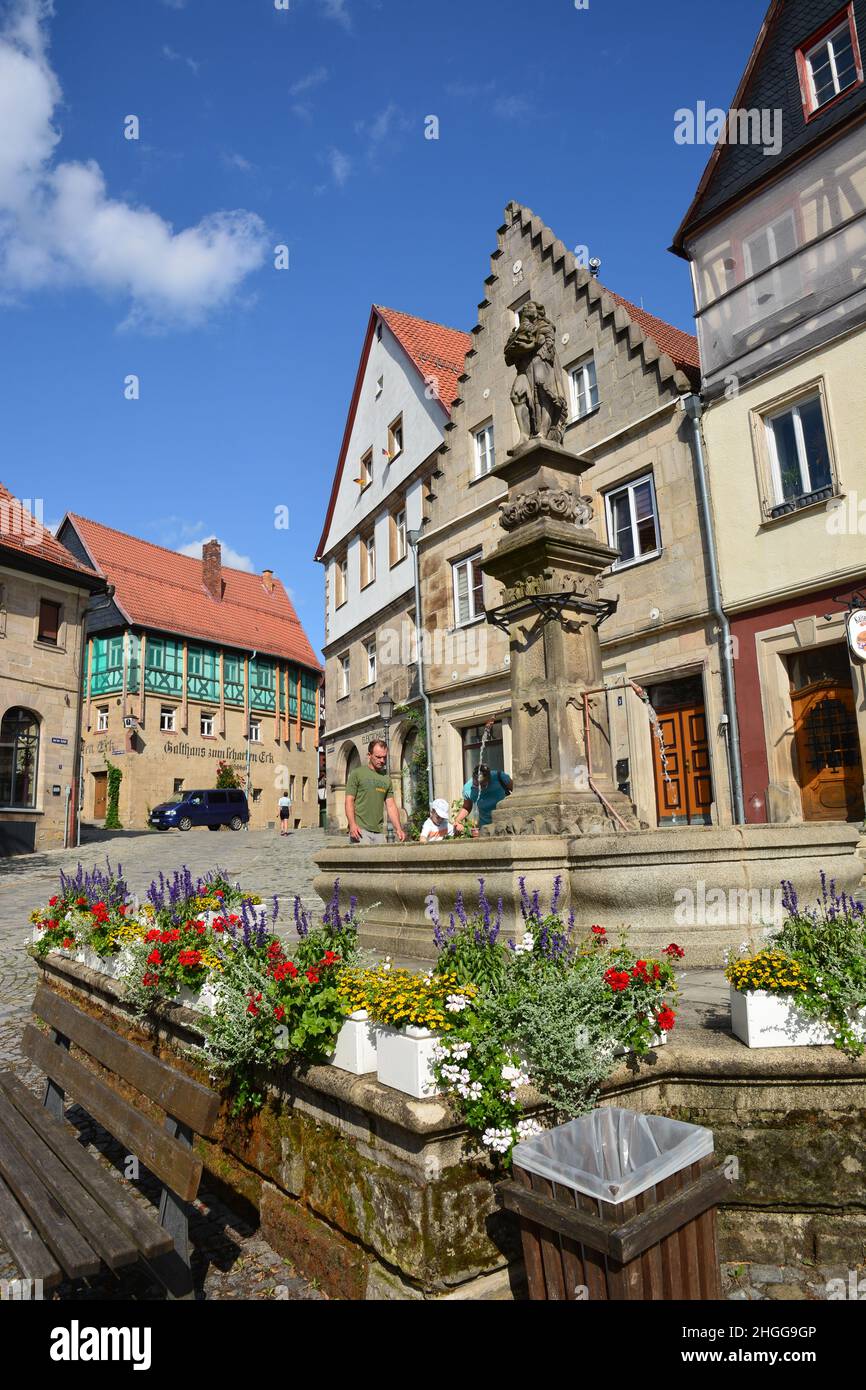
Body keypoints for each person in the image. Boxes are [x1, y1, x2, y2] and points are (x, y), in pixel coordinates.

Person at [345, 739, 406, 844]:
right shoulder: (357, 773)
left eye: (384, 757)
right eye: (378, 757)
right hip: (360, 831)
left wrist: (398, 828)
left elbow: (391, 806)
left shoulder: (386, 779)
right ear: (369, 755)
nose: (382, 760)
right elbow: (349, 801)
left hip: (379, 832)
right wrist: (352, 824)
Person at [454, 763, 513, 833]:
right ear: (473, 778)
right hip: (486, 827)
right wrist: (457, 821)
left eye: (483, 785)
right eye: (477, 785)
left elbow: (517, 792)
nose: (480, 788)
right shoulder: (468, 789)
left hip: (506, 823)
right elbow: (467, 807)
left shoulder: (500, 777)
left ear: (489, 778)